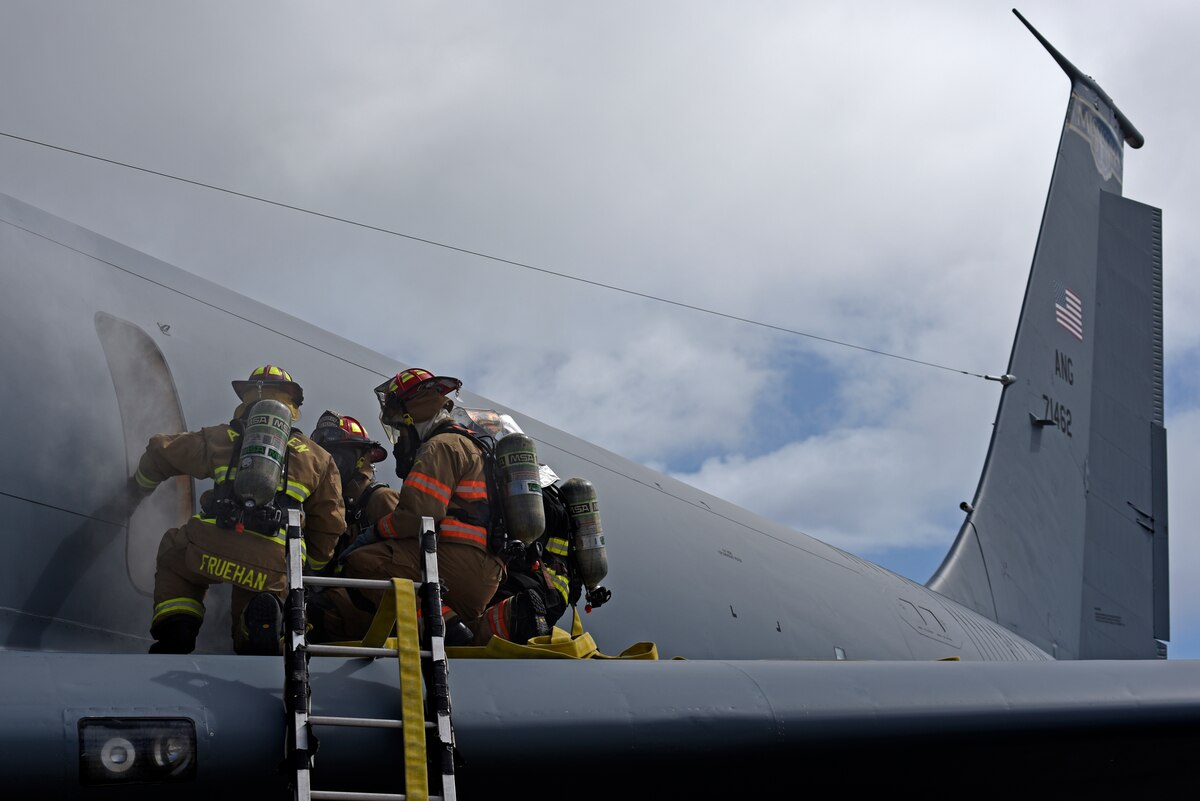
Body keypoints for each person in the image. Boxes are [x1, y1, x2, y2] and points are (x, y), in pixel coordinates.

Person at [128, 364, 345, 655]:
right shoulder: (318, 457)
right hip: (273, 560)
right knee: (259, 605)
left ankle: (178, 626)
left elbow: (160, 451)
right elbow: (331, 523)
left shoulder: (221, 438)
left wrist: (136, 489)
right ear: (292, 404)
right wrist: (310, 565)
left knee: (174, 556)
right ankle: (251, 633)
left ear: (247, 398)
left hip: (213, 543)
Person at [336, 368, 505, 645]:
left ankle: (445, 630)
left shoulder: (439, 446)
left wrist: (374, 533)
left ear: (411, 415)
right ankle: (451, 623)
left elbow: (418, 516)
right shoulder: (470, 445)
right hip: (487, 570)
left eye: (400, 427)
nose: (400, 437)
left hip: (458, 562)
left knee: (364, 562)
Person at [304, 410, 401, 642]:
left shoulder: (381, 499)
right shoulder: (327, 509)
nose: (328, 466)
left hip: (374, 611)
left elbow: (409, 566)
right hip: (340, 607)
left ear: (361, 458)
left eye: (334, 458)